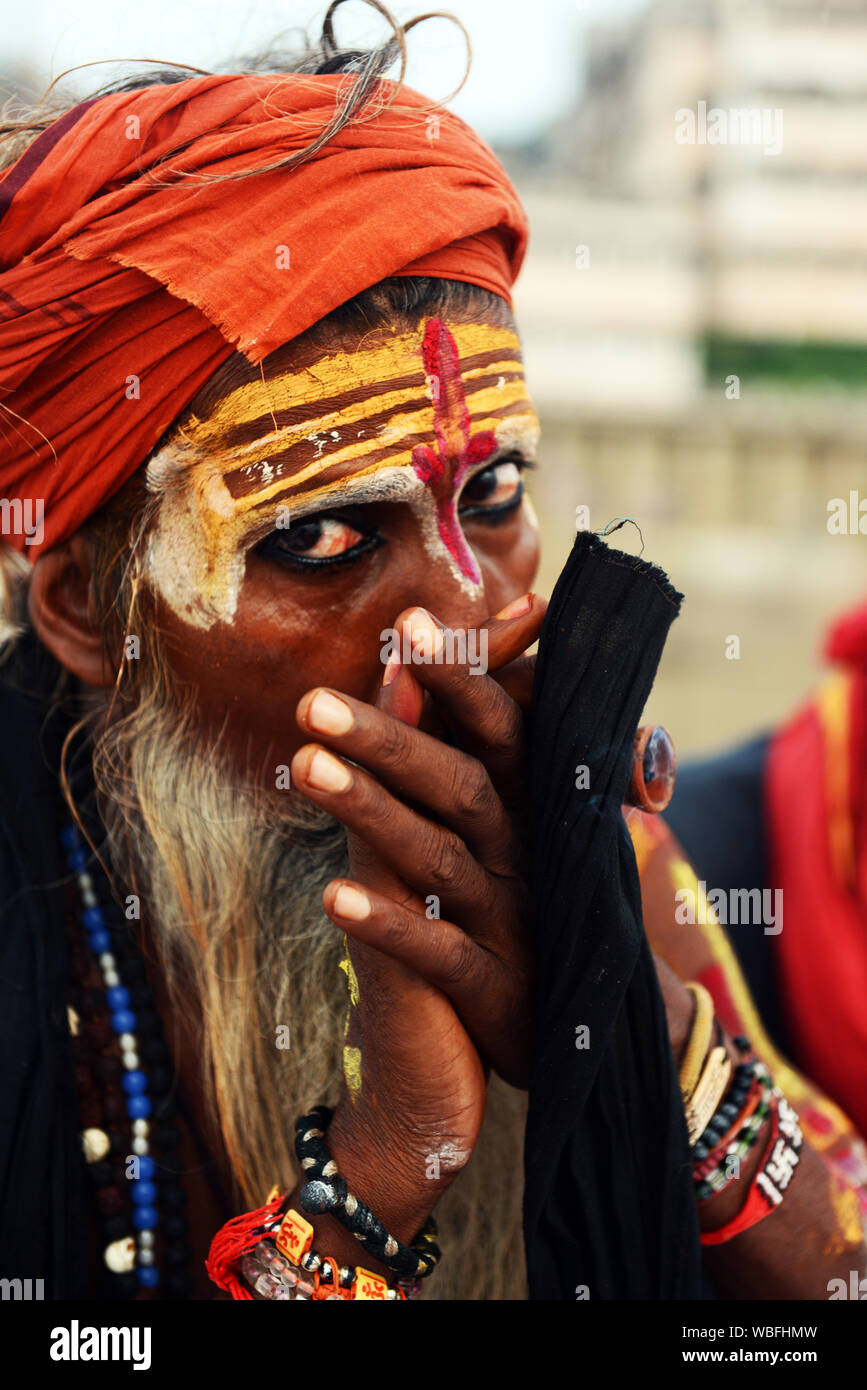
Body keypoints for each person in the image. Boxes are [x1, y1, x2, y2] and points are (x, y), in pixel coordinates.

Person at [0, 3, 864, 1301]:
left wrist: (639, 1022)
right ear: (82, 608)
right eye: (326, 537)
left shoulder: (624, 869)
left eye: (497, 495)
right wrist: (390, 1160)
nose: (464, 611)